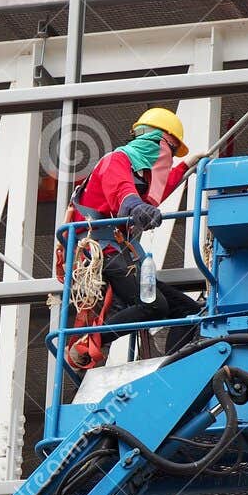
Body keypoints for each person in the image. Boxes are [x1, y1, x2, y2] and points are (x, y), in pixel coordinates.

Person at [69, 107, 203, 355]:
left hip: (120, 250)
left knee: (189, 311)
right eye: (170, 148)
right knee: (153, 305)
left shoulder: (141, 175)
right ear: (153, 140)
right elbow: (124, 195)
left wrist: (185, 167)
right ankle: (87, 343)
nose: (169, 156)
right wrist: (137, 208)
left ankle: (175, 365)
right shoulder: (115, 161)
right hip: (102, 248)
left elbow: (153, 194)